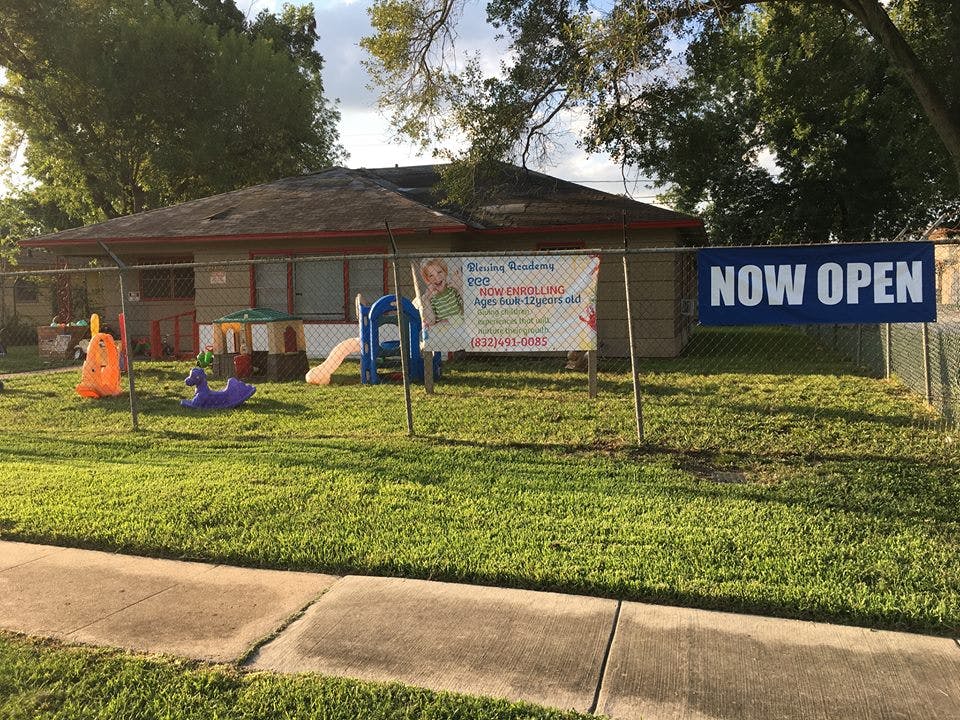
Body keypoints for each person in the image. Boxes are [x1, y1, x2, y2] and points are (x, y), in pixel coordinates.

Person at [420, 258, 463, 325]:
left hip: (460, 327)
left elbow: (468, 307)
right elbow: (430, 321)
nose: (437, 278)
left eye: (439, 272)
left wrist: (459, 287)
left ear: (445, 272)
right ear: (427, 280)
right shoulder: (430, 297)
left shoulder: (453, 290)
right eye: (431, 276)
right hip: (443, 331)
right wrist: (426, 300)